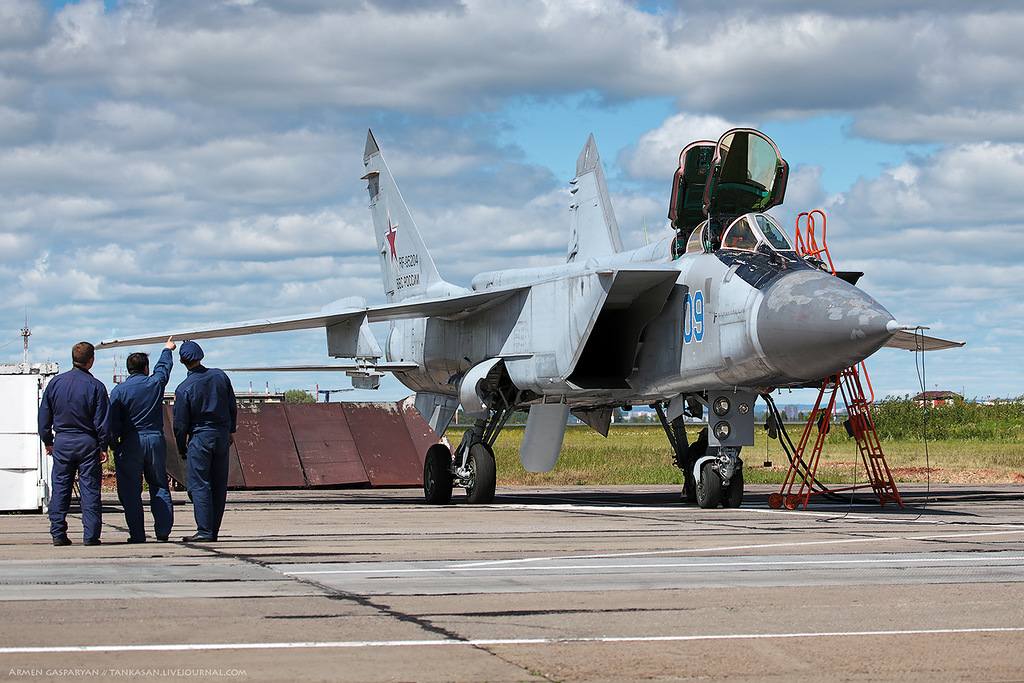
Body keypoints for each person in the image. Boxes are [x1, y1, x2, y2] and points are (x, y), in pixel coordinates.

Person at [38, 341, 111, 546]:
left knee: (60, 488)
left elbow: (44, 415)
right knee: (89, 489)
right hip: (87, 442)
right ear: (91, 360)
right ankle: (91, 536)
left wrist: (48, 440)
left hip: (62, 441)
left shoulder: (55, 383)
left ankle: (58, 534)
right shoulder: (96, 386)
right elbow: (102, 421)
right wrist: (102, 446)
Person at [108, 337, 177, 543]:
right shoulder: (154, 384)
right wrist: (167, 350)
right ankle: (163, 530)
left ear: (129, 369)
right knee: (159, 485)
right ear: (146, 367)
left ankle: (137, 534)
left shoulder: (119, 391)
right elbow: (163, 369)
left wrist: (114, 445)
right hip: (154, 439)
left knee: (130, 490)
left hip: (130, 442)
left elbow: (112, 423)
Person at [173, 341, 237, 542]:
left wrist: (181, 446)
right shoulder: (220, 376)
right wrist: (230, 431)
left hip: (201, 438)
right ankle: (213, 530)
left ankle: (204, 530)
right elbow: (232, 405)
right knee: (219, 485)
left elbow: (180, 423)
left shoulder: (184, 388)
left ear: (182, 361)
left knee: (199, 484)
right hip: (221, 436)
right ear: (202, 356)